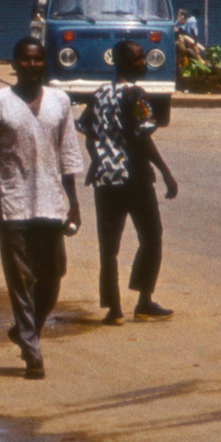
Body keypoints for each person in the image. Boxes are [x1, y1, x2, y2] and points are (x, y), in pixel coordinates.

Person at [0, 37, 85, 379]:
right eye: (25, 59)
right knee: (20, 280)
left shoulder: (60, 101)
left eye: (37, 59)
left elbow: (69, 155)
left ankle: (25, 330)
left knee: (53, 274)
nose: (32, 65)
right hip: (13, 204)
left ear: (44, 62)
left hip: (51, 203)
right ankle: (33, 353)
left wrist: (74, 204)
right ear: (14, 64)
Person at [80, 40, 179, 324]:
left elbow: (87, 132)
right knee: (151, 236)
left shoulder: (99, 94)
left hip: (105, 179)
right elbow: (143, 139)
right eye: (138, 59)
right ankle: (144, 300)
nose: (144, 63)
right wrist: (165, 172)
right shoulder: (136, 95)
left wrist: (100, 160)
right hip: (134, 177)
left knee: (108, 247)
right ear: (123, 62)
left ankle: (114, 309)